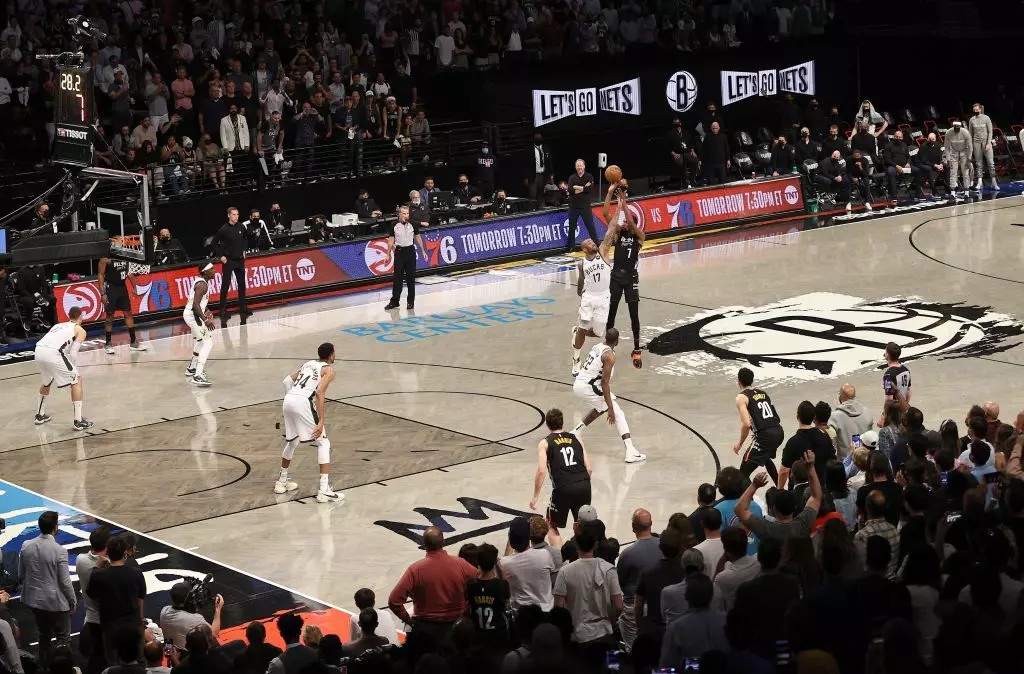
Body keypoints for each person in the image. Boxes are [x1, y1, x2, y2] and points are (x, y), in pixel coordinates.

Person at [277, 342, 343, 503]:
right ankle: (324, 490)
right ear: (331, 355)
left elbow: (286, 381)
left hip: (289, 399)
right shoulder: (329, 370)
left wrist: (293, 398)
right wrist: (321, 421)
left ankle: (281, 482)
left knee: (292, 441)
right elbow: (320, 392)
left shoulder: (308, 364)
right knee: (323, 443)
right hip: (303, 402)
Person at [388, 527, 477, 644]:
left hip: (426, 630)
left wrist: (408, 620)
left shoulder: (415, 570)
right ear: (443, 542)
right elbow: (481, 581)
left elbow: (394, 601)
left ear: (424, 545)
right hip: (456, 627)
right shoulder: (461, 564)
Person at [571, 328, 646, 463]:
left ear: (606, 338)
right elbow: (604, 383)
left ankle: (575, 432)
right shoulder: (609, 356)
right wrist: (610, 408)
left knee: (600, 407)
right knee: (618, 413)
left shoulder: (598, 346)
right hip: (589, 387)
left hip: (580, 383)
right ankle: (630, 451)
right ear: (617, 341)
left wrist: (607, 406)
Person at [552, 529, 622, 662]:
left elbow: (558, 608)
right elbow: (619, 606)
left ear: (576, 545)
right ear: (595, 545)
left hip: (579, 638)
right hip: (606, 635)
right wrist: (611, 622)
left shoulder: (565, 571)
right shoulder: (609, 569)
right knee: (612, 669)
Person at [18, 511, 76, 669]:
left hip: (35, 602)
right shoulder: (60, 551)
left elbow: (21, 574)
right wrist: (72, 601)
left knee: (43, 635)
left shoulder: (26, 545)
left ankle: (42, 667)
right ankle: (63, 669)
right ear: (55, 527)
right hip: (56, 603)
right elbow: (65, 582)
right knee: (63, 638)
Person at [601, 182, 646, 368]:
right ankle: (607, 347)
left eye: (628, 221)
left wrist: (624, 203)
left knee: (634, 315)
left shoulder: (639, 236)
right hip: (616, 278)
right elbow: (605, 215)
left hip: (631, 278)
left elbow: (631, 222)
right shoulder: (618, 233)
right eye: (625, 220)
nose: (625, 222)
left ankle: (636, 350)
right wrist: (612, 196)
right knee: (611, 313)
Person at [86, 536, 146, 666]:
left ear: (107, 552)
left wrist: (97, 568)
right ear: (125, 553)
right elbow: (141, 597)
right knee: (139, 658)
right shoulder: (136, 573)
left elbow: (91, 594)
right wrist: (140, 619)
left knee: (112, 661)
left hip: (110, 625)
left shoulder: (98, 575)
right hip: (132, 623)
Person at [530, 408, 592, 531]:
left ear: (547, 424)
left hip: (563, 488)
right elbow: (589, 469)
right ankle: (584, 550)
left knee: (551, 523)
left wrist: (535, 496)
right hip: (584, 485)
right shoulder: (576, 438)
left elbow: (542, 471)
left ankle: (559, 551)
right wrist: (580, 483)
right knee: (583, 525)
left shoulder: (545, 443)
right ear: (562, 422)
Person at [736, 452, 822, 541]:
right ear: (793, 507)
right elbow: (816, 496)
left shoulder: (766, 528)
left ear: (774, 508)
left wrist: (754, 485)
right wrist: (811, 468)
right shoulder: (803, 524)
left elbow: (739, 509)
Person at [33, 306, 92, 429]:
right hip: (53, 353)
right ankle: (78, 420)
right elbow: (74, 352)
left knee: (46, 382)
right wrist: (73, 371)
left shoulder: (57, 325)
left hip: (38, 350)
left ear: (69, 316)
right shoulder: (80, 330)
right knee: (77, 380)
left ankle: (39, 415)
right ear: (80, 316)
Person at [615, 509, 660, 650]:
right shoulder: (663, 546)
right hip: (659, 606)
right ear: (651, 524)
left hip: (633, 609)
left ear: (633, 527)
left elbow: (620, 583)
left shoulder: (627, 554)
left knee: (633, 650)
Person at [659, 575, 727, 668]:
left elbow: (666, 666)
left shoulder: (676, 628)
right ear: (712, 596)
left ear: (687, 597)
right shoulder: (728, 621)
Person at [733, 367, 784, 485]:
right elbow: (774, 417)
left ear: (739, 382)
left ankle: (749, 502)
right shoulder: (763, 393)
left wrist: (739, 444)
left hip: (765, 436)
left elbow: (746, 424)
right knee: (765, 457)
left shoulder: (741, 397)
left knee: (743, 474)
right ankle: (780, 489)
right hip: (778, 431)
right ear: (752, 380)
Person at [570, 238, 612, 376]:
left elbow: (610, 234)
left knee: (598, 333)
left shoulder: (603, 254)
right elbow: (581, 279)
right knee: (583, 328)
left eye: (593, 242)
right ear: (585, 249)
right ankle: (576, 359)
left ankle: (577, 331)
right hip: (589, 297)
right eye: (589, 243)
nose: (593, 243)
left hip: (603, 296)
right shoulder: (582, 263)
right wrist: (579, 293)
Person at [77, 526, 110, 674]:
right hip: (107, 622)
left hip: (89, 620)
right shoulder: (108, 567)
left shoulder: (80, 560)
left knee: (95, 659)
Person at [779, 401, 836, 488]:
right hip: (822, 487)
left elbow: (784, 471)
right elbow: (832, 460)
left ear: (798, 417)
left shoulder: (792, 442)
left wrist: (779, 489)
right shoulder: (824, 436)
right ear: (814, 417)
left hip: (800, 491)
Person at [464, 543, 510, 651]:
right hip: (497, 634)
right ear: (494, 563)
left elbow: (467, 607)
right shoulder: (501, 585)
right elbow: (505, 589)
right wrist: (499, 568)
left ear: (478, 562)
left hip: (478, 634)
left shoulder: (471, 584)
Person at [98, 256, 147, 354]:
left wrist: (134, 287)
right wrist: (103, 293)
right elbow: (100, 274)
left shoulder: (126, 257)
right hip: (111, 287)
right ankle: (108, 343)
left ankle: (133, 342)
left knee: (128, 313)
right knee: (110, 315)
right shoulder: (105, 259)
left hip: (122, 288)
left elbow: (129, 273)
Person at [212, 206, 250, 327]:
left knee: (242, 285)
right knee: (225, 286)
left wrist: (244, 250)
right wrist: (221, 256)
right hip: (229, 261)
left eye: (237, 214)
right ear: (229, 215)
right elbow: (214, 243)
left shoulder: (241, 226)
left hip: (239, 260)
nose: (236, 217)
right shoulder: (224, 229)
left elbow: (245, 239)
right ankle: (222, 311)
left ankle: (243, 308)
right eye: (233, 215)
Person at [159, 582, 224, 651]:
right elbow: (214, 634)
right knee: (214, 642)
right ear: (188, 598)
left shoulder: (164, 611)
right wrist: (218, 609)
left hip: (170, 649)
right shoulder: (194, 619)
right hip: (187, 654)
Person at [384, 205, 426, 311]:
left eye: (407, 213)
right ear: (399, 214)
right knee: (397, 278)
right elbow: (391, 239)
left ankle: (410, 302)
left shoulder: (412, 224)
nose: (406, 216)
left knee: (411, 278)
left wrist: (423, 250)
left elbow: (417, 237)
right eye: (403, 213)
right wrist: (388, 253)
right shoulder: (394, 224)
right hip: (399, 253)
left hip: (410, 252)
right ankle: (394, 301)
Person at [183, 263, 217, 386]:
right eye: (211, 269)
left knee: (200, 341)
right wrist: (205, 320)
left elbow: (199, 302)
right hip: (193, 316)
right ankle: (197, 375)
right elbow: (195, 306)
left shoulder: (201, 282)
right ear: (205, 271)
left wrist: (206, 310)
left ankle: (192, 368)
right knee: (208, 343)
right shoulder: (202, 285)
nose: (214, 271)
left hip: (192, 315)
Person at [712, 527, 760, 611]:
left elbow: (713, 602)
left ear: (727, 552)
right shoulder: (759, 561)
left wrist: (719, 566)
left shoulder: (722, 578)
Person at [828, 383, 873, 460]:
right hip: (865, 461)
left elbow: (831, 445)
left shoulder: (834, 417)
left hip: (845, 464)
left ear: (841, 396)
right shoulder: (866, 412)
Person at [883, 129, 922, 202]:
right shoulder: (888, 146)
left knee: (918, 171)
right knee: (891, 172)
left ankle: (918, 193)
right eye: (897, 137)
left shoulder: (904, 145)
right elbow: (887, 159)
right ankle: (893, 195)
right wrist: (897, 166)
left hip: (904, 166)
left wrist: (908, 163)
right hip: (893, 166)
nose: (898, 139)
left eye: (900, 137)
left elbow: (908, 157)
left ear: (902, 137)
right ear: (894, 137)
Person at [565, 159, 596, 249]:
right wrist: (583, 188)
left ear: (584, 166)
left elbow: (589, 189)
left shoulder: (589, 176)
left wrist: (576, 187)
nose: (579, 167)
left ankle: (597, 245)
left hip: (585, 207)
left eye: (581, 165)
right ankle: (571, 247)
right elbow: (570, 190)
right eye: (578, 166)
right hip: (573, 207)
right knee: (571, 228)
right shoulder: (572, 177)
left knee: (591, 227)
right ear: (575, 167)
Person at [968, 102, 998, 190]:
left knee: (990, 162)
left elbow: (990, 132)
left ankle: (994, 181)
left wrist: (989, 143)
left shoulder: (986, 118)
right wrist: (971, 145)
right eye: (974, 110)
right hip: (976, 143)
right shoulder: (972, 119)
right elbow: (970, 133)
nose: (975, 111)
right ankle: (980, 182)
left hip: (986, 142)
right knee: (978, 163)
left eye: (977, 110)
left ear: (980, 109)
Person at [944, 120, 972, 195]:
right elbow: (946, 147)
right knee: (953, 173)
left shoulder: (965, 132)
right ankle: (952, 193)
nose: (956, 128)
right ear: (953, 126)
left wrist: (969, 159)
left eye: (958, 126)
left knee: (965, 173)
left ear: (960, 126)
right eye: (955, 126)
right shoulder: (948, 133)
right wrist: (948, 159)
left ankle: (967, 193)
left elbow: (970, 147)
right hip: (953, 153)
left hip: (964, 153)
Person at [882, 341, 911, 410]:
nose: (884, 354)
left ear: (888, 355)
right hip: (904, 407)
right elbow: (909, 391)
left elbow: (889, 398)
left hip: (894, 412)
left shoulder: (888, 375)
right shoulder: (906, 370)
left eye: (885, 352)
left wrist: (884, 415)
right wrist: (905, 405)